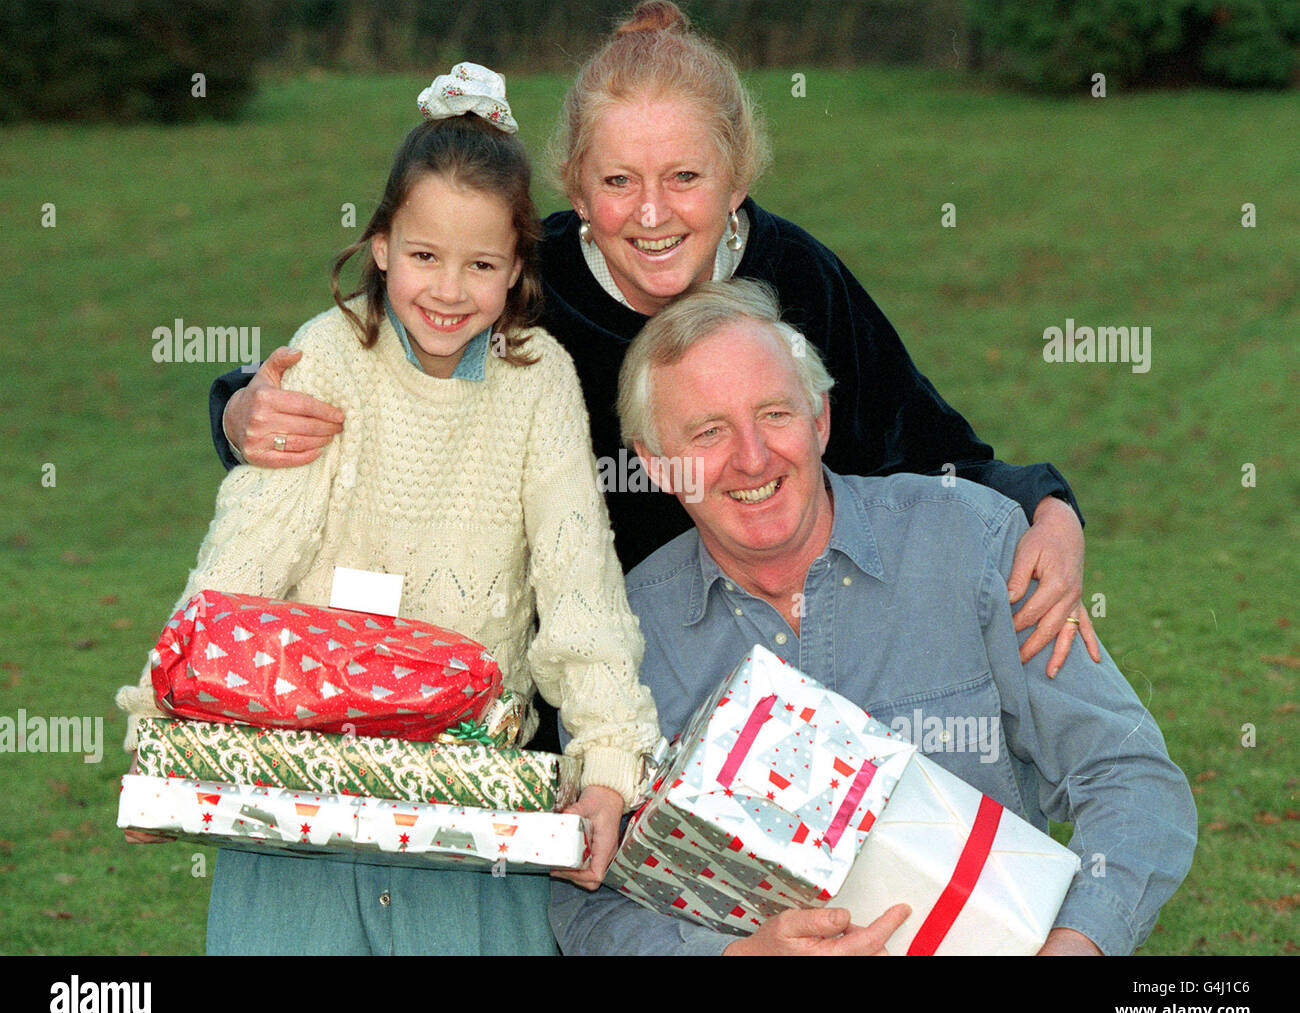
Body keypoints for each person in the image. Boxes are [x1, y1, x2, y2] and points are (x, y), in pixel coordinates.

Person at [208, 1, 1099, 681]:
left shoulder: (800, 281)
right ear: (574, 188)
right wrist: (245, 408)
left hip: (771, 665)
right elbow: (358, 358)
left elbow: (929, 452)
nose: (653, 211)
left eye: (685, 177)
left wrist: (1049, 508)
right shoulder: (521, 277)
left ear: (737, 176)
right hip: (567, 679)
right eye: (619, 180)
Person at [115, 63, 659, 955]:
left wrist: (606, 762)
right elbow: (241, 563)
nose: (448, 290)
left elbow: (579, 582)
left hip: (471, 818)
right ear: (379, 245)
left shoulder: (540, 384)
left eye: (480, 263)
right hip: (297, 800)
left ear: (519, 265)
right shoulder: (326, 358)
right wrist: (162, 737)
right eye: (422, 256)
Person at [549, 279, 1197, 956]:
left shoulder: (973, 545)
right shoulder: (619, 639)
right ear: (656, 465)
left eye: (774, 414)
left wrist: (1075, 944)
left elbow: (1129, 775)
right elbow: (589, 902)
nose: (752, 456)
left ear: (820, 417)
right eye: (709, 431)